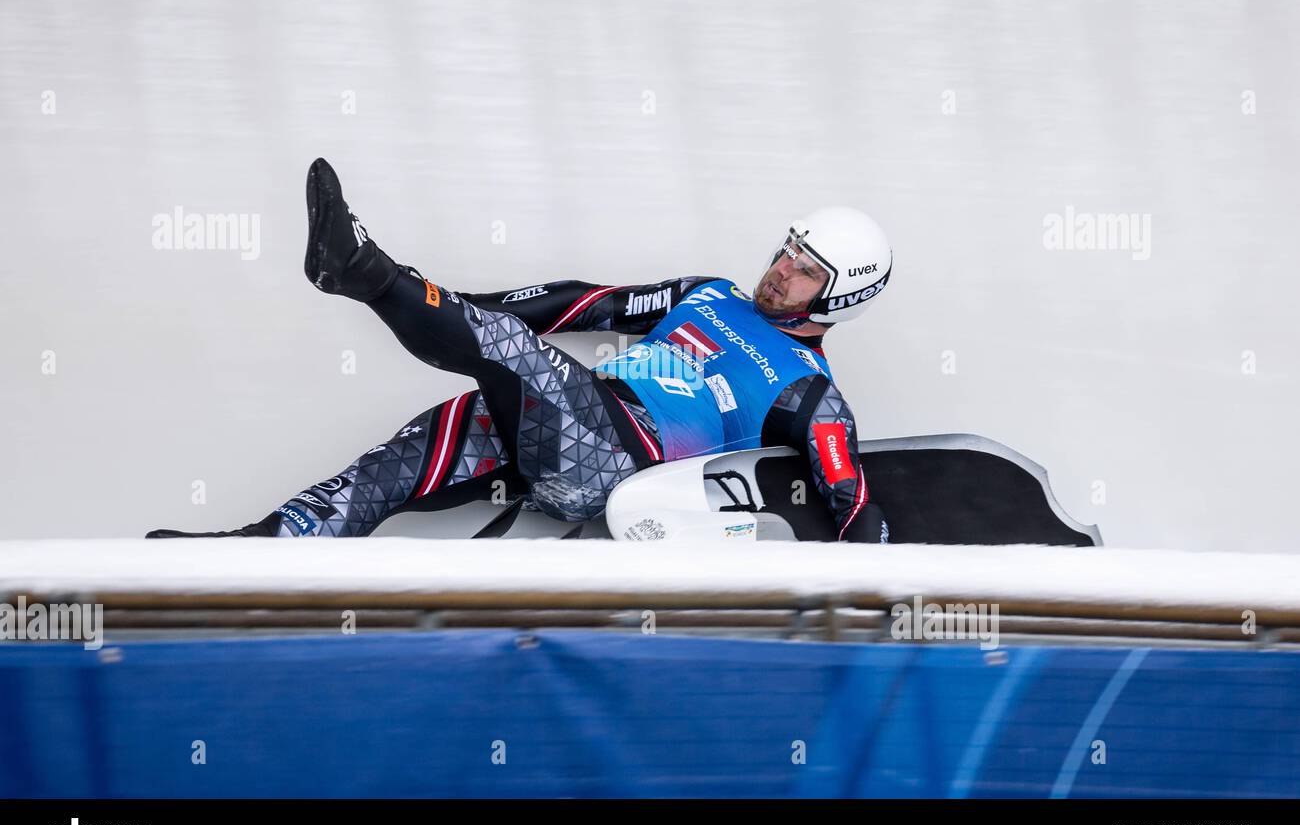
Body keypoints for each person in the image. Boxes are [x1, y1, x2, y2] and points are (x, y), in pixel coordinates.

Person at [147, 159, 892, 542]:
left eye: (805, 270)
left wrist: (903, 597)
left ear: (840, 299)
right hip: (565, 419)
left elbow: (849, 498)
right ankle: (253, 549)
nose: (782, 269)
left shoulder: (810, 391)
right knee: (391, 465)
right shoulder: (711, 294)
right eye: (788, 249)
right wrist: (463, 310)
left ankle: (366, 272)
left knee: (506, 351)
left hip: (620, 460)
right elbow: (586, 300)